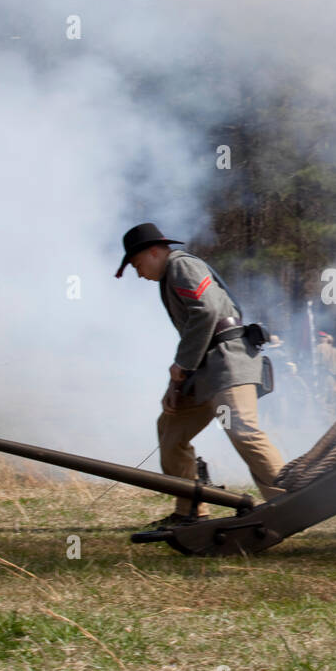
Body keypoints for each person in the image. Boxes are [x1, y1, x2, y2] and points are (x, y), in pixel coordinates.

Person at [115, 223, 284, 526]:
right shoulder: (169, 276)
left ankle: (290, 501)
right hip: (205, 372)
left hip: (228, 363)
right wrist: (174, 385)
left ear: (154, 251)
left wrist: (182, 365)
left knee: (243, 431)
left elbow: (205, 312)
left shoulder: (182, 265)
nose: (139, 273)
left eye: (138, 264)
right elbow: (195, 332)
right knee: (170, 431)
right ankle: (190, 509)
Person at [313, 330, 336, 419]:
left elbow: (316, 362)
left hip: (323, 375)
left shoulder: (320, 347)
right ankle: (330, 414)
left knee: (322, 395)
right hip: (333, 377)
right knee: (331, 396)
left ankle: (323, 416)